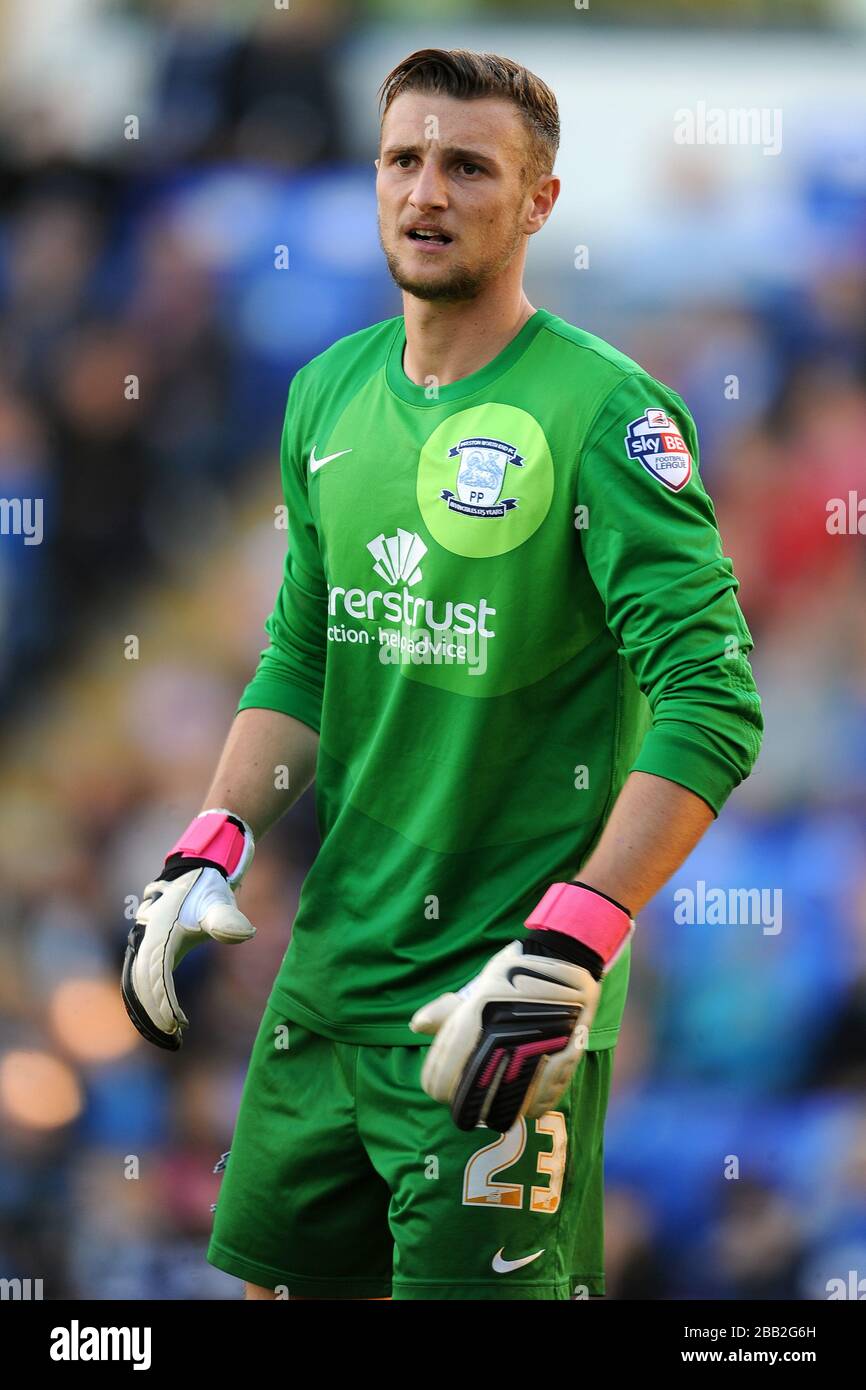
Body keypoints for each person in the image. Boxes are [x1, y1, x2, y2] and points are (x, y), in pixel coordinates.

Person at [121, 48, 763, 1301]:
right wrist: (209, 839)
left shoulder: (609, 416)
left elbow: (711, 698)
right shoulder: (325, 394)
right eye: (403, 159)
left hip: (493, 999)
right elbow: (304, 654)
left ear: (538, 204)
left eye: (468, 166)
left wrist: (568, 947)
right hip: (326, 982)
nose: (427, 190)